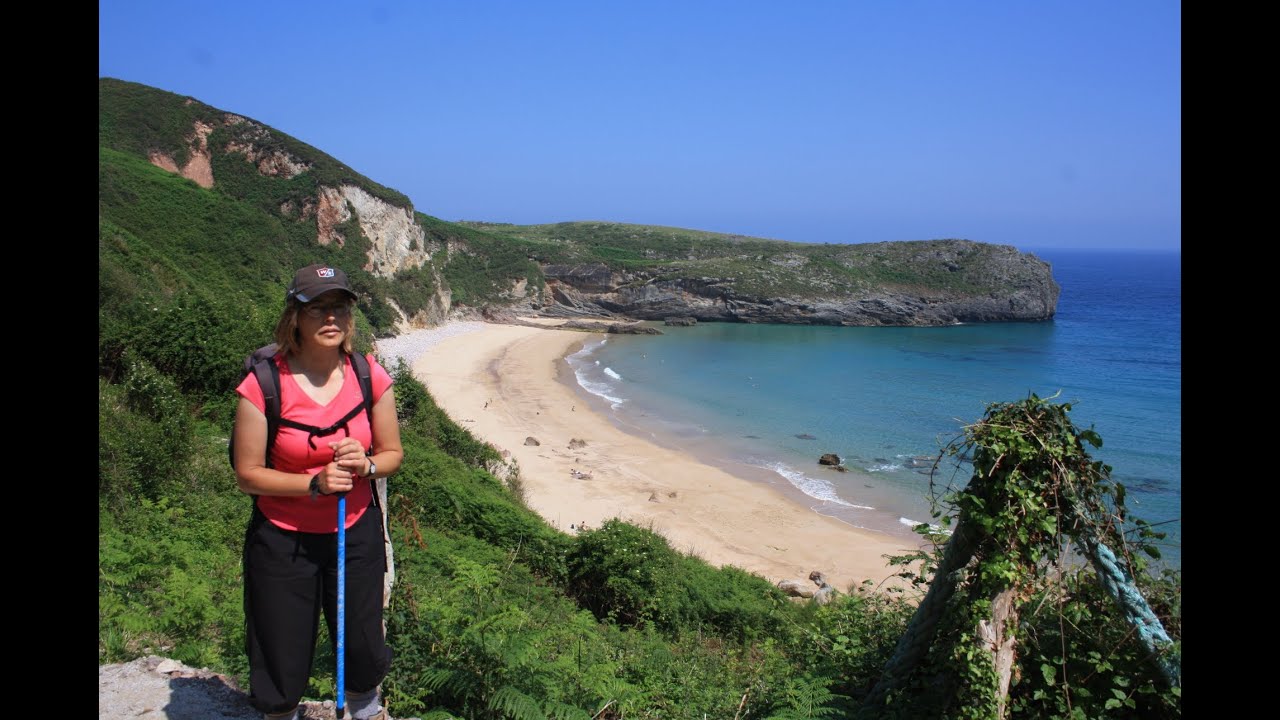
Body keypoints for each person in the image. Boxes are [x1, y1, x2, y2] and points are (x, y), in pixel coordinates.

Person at [232, 264, 404, 720]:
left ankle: (367, 710)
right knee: (281, 649)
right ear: (295, 317)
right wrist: (314, 483)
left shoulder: (370, 375)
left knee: (364, 642)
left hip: (355, 535)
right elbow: (247, 473)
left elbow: (391, 455)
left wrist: (364, 464)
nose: (331, 318)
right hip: (283, 539)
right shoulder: (264, 383)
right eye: (318, 309)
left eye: (340, 308)